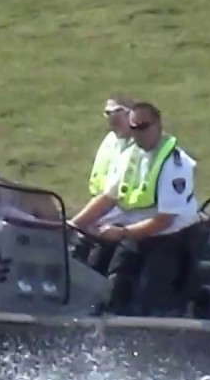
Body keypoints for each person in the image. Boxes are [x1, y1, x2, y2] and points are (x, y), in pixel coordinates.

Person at [69, 101, 201, 315]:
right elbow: (108, 198)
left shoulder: (175, 163)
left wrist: (122, 233)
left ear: (158, 125)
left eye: (144, 127)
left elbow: (165, 220)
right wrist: (73, 225)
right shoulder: (130, 156)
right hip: (135, 234)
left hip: (169, 238)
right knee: (115, 283)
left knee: (150, 294)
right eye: (134, 128)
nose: (139, 133)